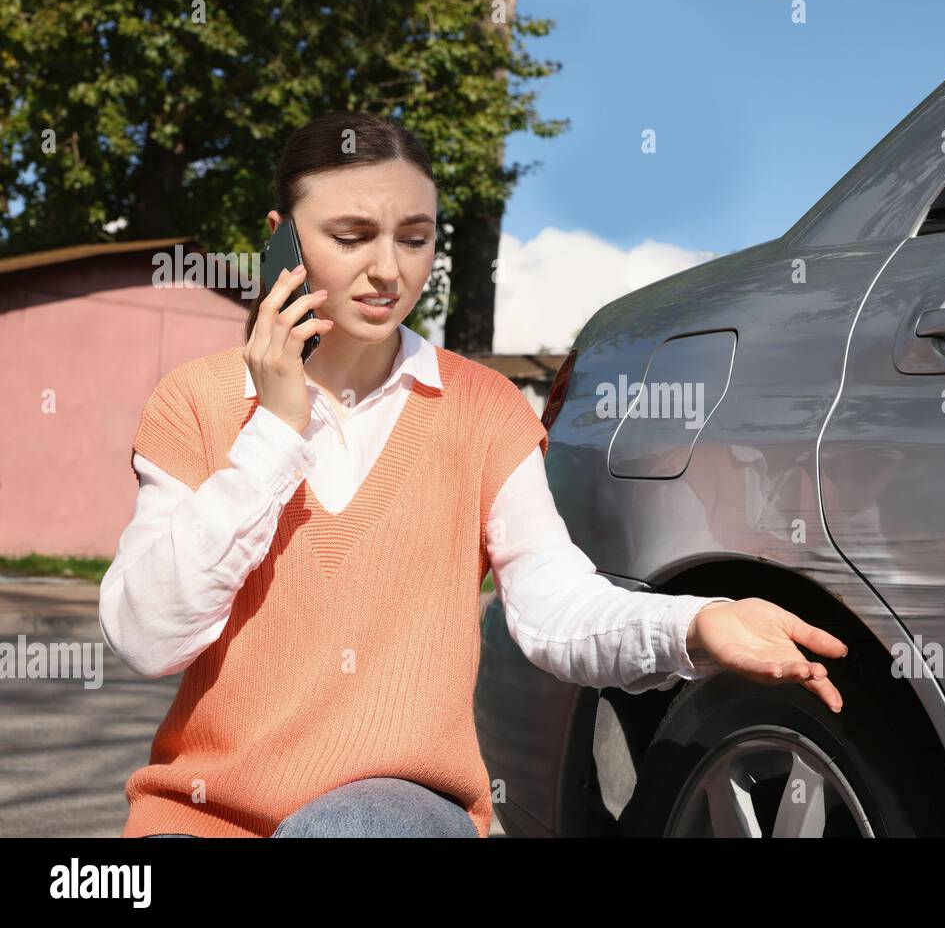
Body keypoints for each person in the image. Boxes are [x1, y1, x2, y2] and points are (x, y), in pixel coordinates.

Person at [99, 111, 847, 838]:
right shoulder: (198, 400)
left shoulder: (482, 408)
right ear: (280, 241)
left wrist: (694, 623)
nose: (389, 270)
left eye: (415, 239)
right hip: (199, 815)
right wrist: (272, 431)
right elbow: (147, 635)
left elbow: (552, 606)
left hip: (393, 815)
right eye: (351, 236)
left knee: (351, 826)